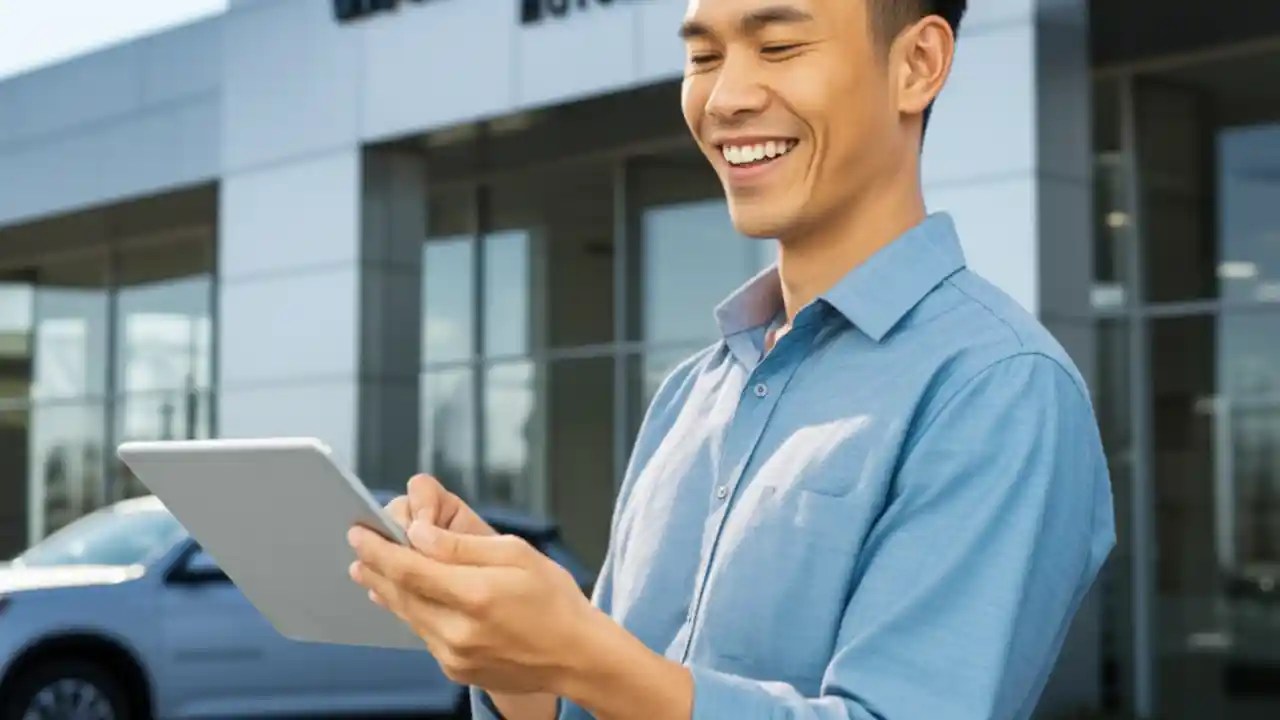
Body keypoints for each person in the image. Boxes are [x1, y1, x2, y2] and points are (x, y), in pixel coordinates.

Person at [346, 0, 1117, 717]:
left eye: (777, 46)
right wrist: (524, 664)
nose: (724, 99)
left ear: (916, 65)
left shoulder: (999, 387)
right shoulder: (693, 392)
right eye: (704, 56)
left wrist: (581, 654)